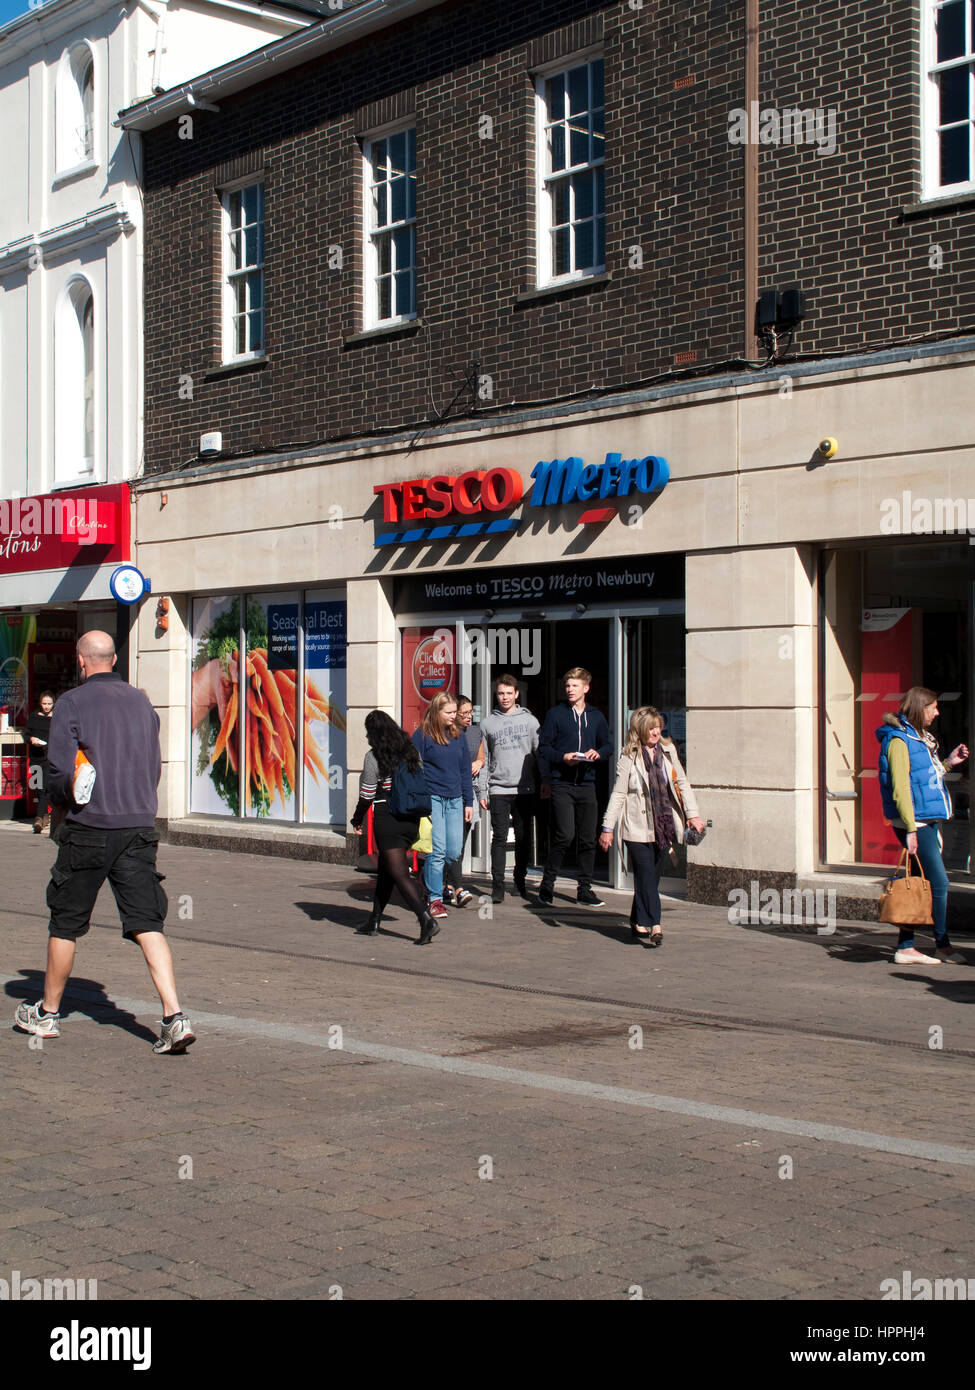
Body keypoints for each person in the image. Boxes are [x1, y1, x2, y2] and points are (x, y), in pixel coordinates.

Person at [13, 632, 195, 1053]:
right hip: (138, 827)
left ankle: (48, 1014)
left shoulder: (72, 704)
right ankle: (174, 1016)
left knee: (65, 921)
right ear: (114, 659)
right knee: (147, 920)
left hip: (89, 827)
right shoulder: (143, 704)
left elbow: (58, 771)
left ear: (80, 661)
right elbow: (154, 767)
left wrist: (61, 803)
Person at [876, 686, 969, 965]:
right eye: (933, 707)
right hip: (914, 822)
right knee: (939, 883)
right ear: (920, 708)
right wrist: (911, 829)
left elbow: (923, 777)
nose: (937, 712)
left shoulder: (919, 739)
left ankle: (905, 947)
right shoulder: (899, 741)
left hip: (922, 820)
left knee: (919, 882)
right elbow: (901, 788)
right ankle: (943, 945)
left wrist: (949, 763)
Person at [599, 707, 706, 946]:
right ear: (640, 730)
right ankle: (655, 925)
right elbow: (618, 793)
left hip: (662, 826)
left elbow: (682, 784)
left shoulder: (668, 752)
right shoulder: (629, 756)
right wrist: (608, 827)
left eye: (658, 726)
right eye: (651, 728)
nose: (656, 732)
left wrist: (693, 815)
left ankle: (637, 920)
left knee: (650, 879)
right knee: (646, 876)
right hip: (636, 827)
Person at [350, 710, 440, 945]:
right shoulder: (410, 751)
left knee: (399, 873)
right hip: (411, 818)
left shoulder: (374, 756)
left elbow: (368, 793)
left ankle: (426, 919)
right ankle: (375, 920)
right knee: (386, 870)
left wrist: (357, 818)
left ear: (373, 733)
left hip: (387, 818)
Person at [537, 667, 613, 906]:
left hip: (587, 784)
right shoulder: (556, 714)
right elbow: (544, 749)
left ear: (586, 688)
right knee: (564, 835)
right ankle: (547, 885)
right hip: (563, 783)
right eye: (567, 685)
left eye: (574, 686)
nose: (569, 690)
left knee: (588, 838)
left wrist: (597, 753)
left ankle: (585, 889)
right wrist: (563, 757)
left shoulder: (596, 716)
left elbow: (609, 746)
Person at [477, 674, 539, 904]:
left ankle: (520, 881)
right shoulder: (487, 723)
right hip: (498, 788)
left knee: (523, 838)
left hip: (525, 788)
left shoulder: (530, 722)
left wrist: (545, 784)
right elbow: (483, 758)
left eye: (508, 693)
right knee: (499, 838)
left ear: (516, 694)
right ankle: (497, 886)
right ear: (497, 694)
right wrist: (483, 790)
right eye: (501, 693)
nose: (504, 697)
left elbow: (539, 753)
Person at [411, 692, 474, 919]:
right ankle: (435, 899)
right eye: (449, 713)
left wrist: (469, 801)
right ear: (436, 712)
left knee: (453, 851)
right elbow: (411, 766)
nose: (453, 716)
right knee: (437, 852)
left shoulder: (458, 735)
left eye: (454, 712)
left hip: (456, 799)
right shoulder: (423, 735)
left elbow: (465, 770)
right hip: (433, 799)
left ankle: (428, 878)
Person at [444, 695, 484, 908]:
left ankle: (448, 886)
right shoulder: (448, 734)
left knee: (460, 843)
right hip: (450, 794)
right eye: (464, 713)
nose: (469, 717)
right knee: (453, 844)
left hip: (468, 795)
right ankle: (456, 887)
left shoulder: (476, 732)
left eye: (471, 712)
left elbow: (482, 757)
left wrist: (479, 762)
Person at [26, 690, 55, 834]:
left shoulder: (56, 719)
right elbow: (27, 734)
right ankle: (44, 815)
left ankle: (39, 818)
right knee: (39, 787)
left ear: (53, 704)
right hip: (36, 756)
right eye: (44, 703)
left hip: (50, 756)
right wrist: (31, 740)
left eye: (49, 704)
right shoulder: (33, 717)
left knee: (46, 787)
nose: (46, 706)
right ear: (40, 703)